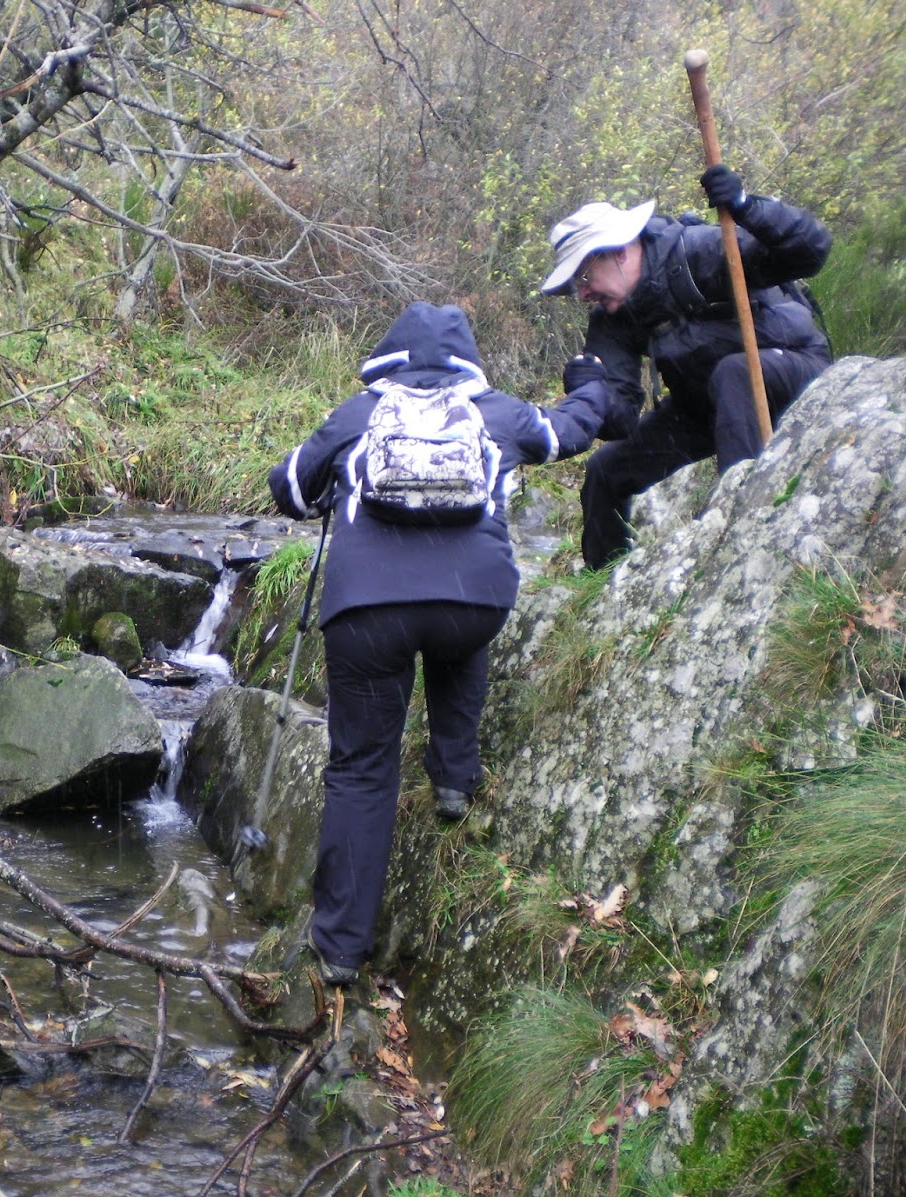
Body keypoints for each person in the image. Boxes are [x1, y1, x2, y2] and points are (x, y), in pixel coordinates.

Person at [268, 301, 612, 984]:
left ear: (390, 351)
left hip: (366, 610)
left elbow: (288, 483)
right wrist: (592, 382)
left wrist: (327, 491)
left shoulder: (359, 412)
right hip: (473, 601)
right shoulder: (497, 410)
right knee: (458, 642)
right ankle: (454, 777)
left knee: (362, 769)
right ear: (464, 353)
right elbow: (569, 431)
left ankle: (339, 947)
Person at [540, 165, 833, 570]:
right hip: (709, 406)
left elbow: (810, 250)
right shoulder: (613, 318)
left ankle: (739, 532)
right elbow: (621, 416)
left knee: (734, 373)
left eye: (584, 275)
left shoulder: (700, 250)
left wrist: (747, 207)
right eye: (576, 284)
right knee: (606, 469)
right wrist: (589, 392)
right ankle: (606, 581)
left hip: (794, 372)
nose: (583, 292)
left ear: (619, 251)